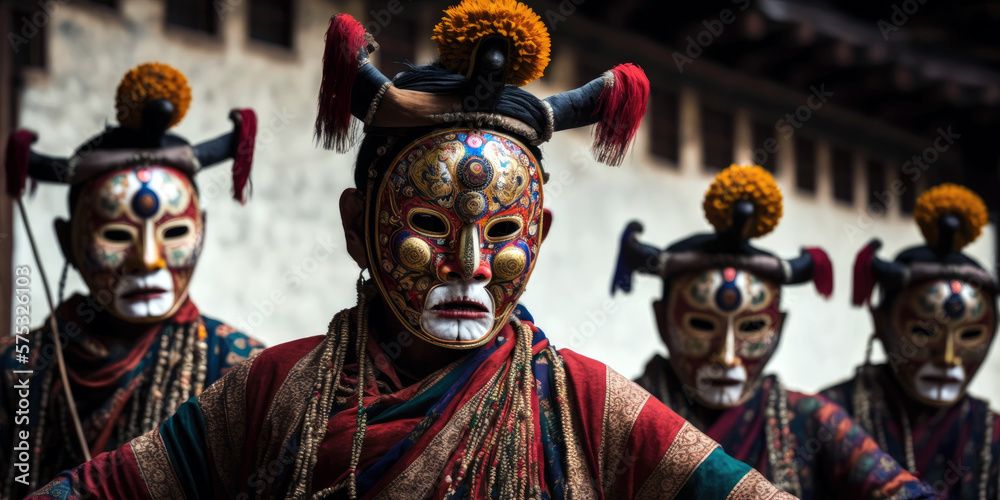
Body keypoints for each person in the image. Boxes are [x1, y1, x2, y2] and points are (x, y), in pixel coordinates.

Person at [23, 2, 794, 498]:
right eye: (428, 226)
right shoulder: (273, 388)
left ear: (543, 235)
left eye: (502, 233)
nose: (470, 264)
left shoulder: (590, 406)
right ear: (358, 227)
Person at [1, 62, 265, 497]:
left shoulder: (240, 373)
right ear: (69, 241)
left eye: (174, 233)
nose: (147, 260)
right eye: (117, 235)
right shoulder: (17, 370)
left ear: (202, 232)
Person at [611, 165, 935, 499]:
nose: (726, 356)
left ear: (779, 327)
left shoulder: (810, 420)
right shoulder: (621, 414)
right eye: (701, 325)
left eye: (751, 328)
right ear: (663, 321)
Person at [821, 183, 999, 499]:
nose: (948, 357)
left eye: (970, 335)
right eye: (923, 332)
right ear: (879, 321)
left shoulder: (992, 435)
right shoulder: (828, 417)